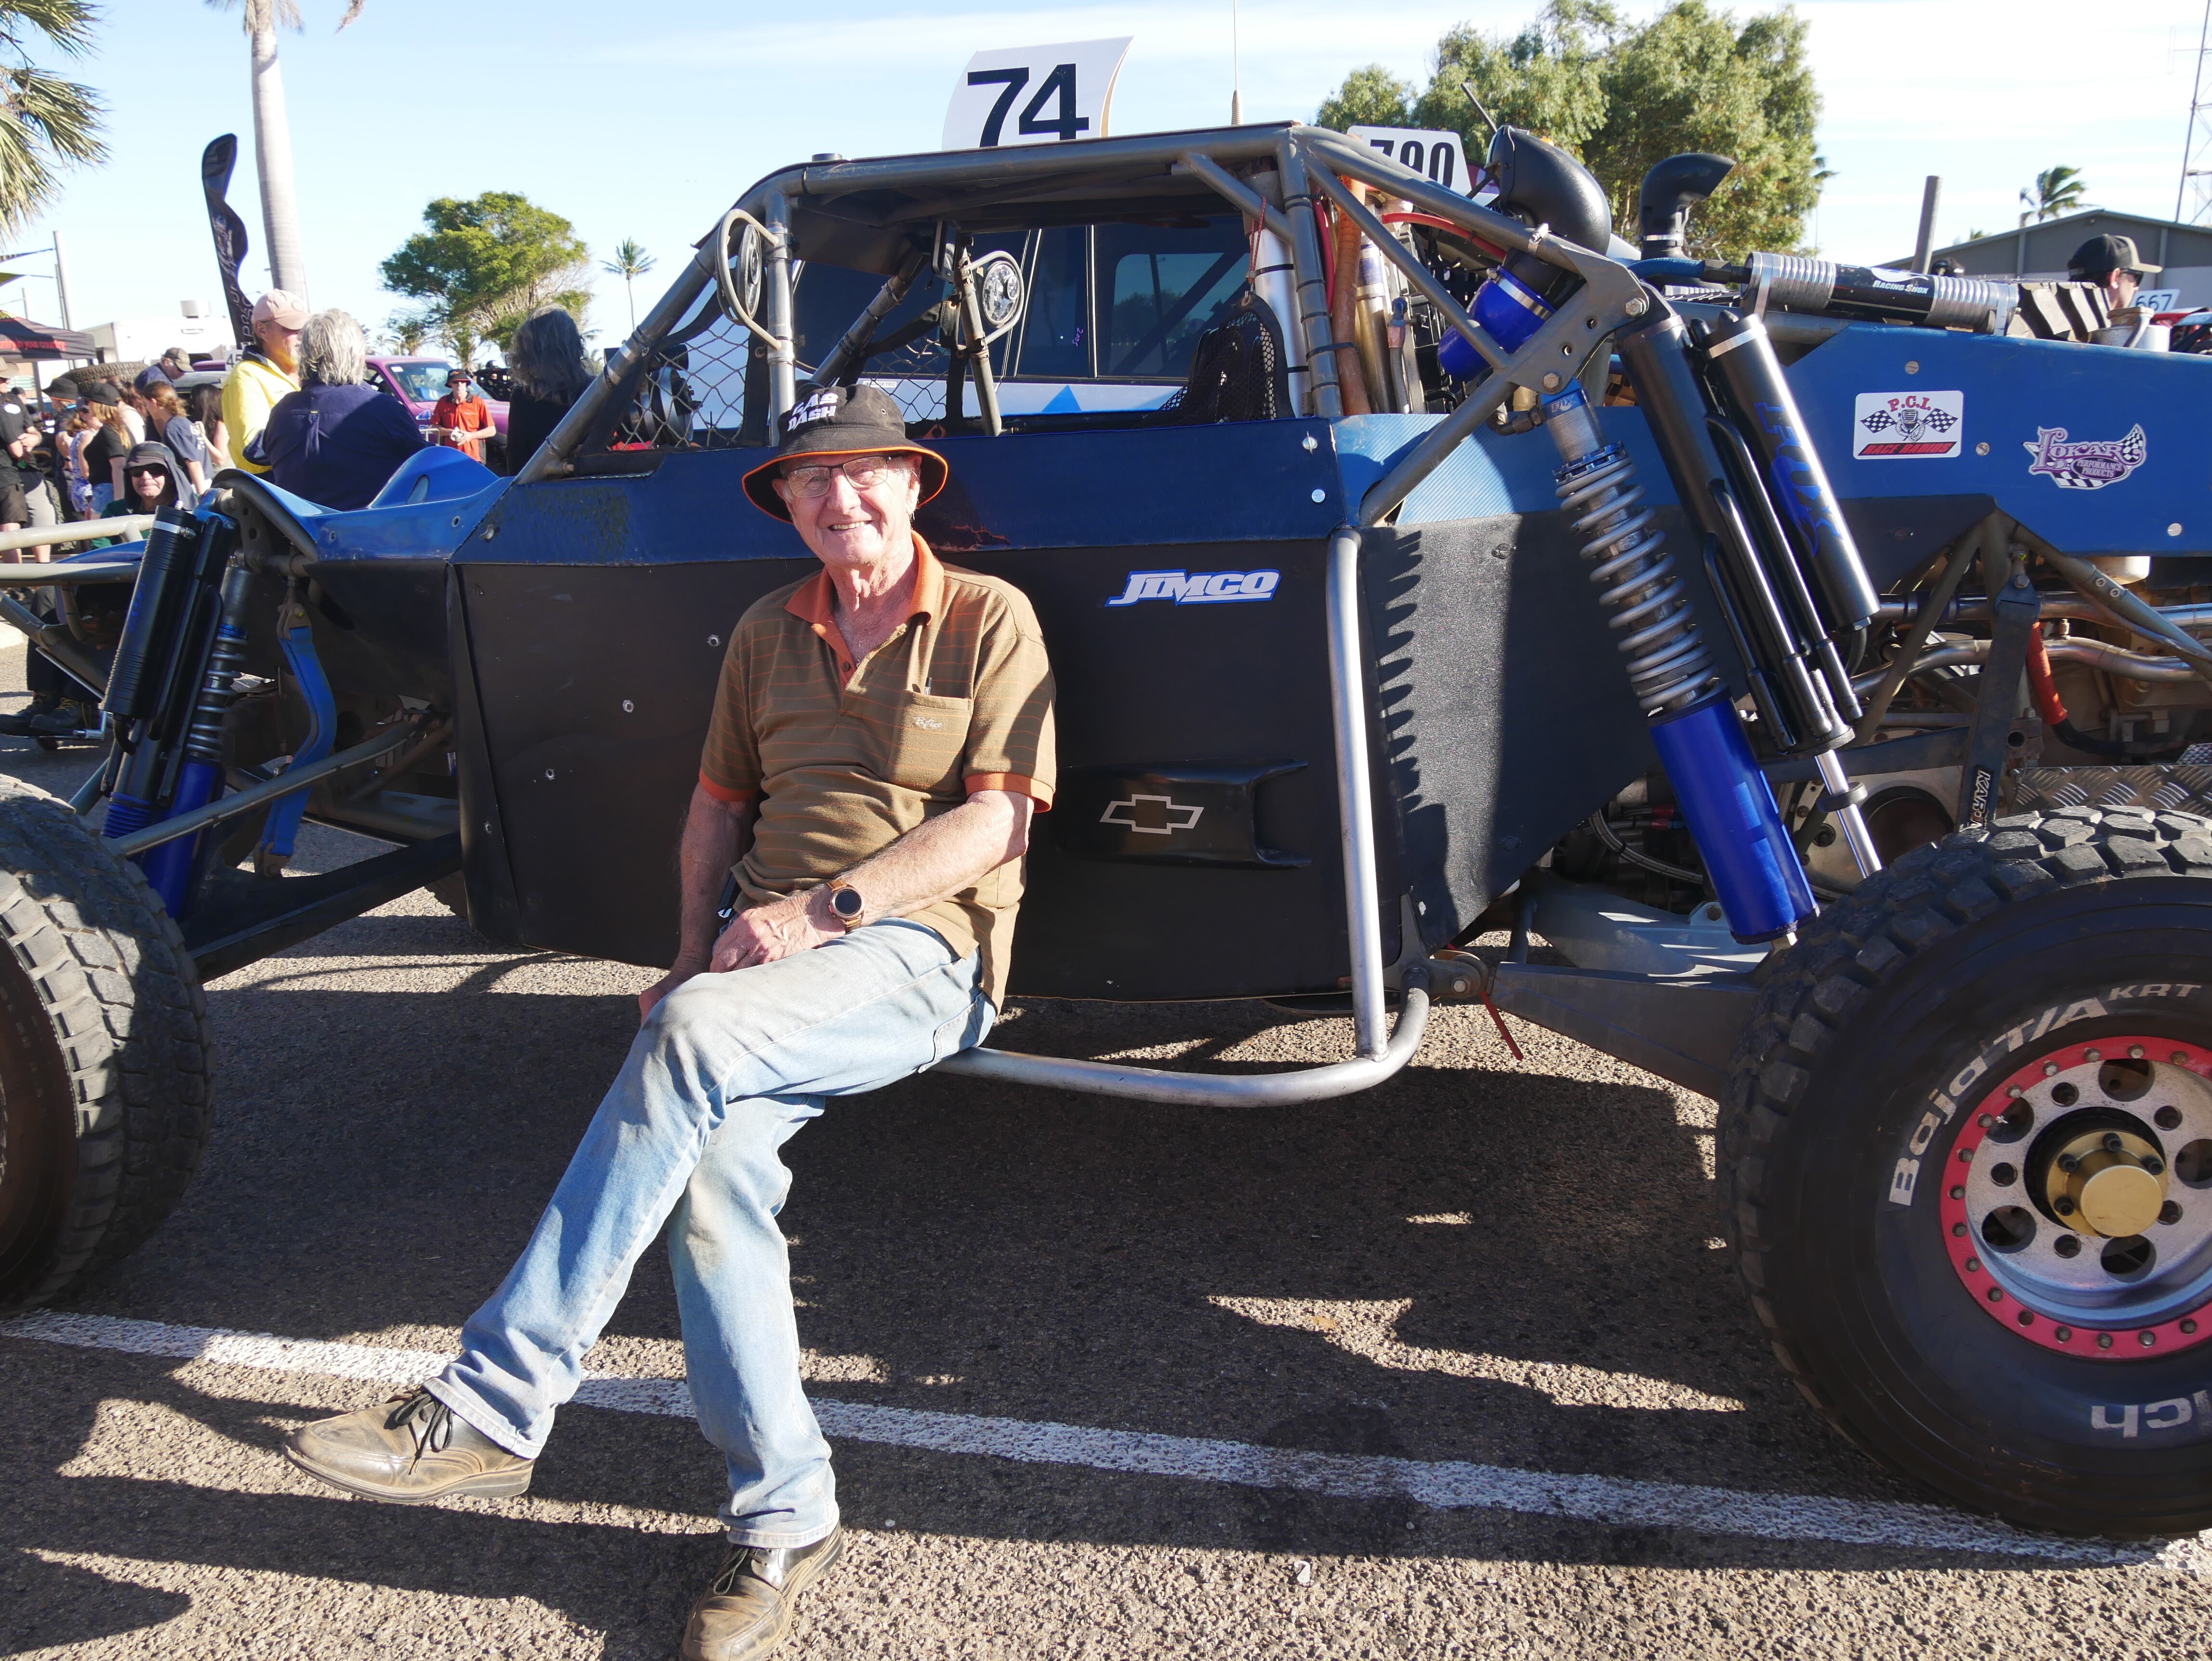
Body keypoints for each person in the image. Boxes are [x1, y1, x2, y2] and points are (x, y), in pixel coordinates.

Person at [283, 382, 1055, 1661]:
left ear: (915, 485)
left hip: (922, 954)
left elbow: (1001, 823)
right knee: (708, 1181)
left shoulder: (989, 619)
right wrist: (692, 950)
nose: (839, 500)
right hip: (762, 977)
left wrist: (823, 913)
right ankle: (785, 1517)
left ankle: (493, 1403)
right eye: (811, 481)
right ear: (787, 503)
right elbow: (714, 807)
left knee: (688, 1040)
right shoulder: (766, 628)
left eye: (864, 475)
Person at [247, 309, 426, 511]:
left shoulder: (282, 412)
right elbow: (429, 466)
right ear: (357, 357)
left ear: (305, 356)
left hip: (299, 535)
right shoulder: (381, 408)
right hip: (373, 534)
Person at [222, 289, 306, 472]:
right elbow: (254, 447)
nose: (301, 336)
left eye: (305, 328)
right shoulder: (246, 376)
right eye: (291, 328)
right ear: (261, 330)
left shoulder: (307, 372)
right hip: (274, 488)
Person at [503, 304, 593, 472]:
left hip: (546, 494)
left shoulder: (525, 399)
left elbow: (516, 467)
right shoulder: (596, 391)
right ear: (575, 345)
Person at [146, 382, 211, 496]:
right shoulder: (183, 422)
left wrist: (202, 496)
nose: (147, 409)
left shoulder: (174, 427)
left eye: (146, 404)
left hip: (195, 486)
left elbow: (194, 463)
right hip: (204, 481)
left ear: (154, 402)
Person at [2068, 234, 2160, 313]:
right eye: (2137, 277)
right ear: (2115, 277)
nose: (2136, 288)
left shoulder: (2060, 320)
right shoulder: (2108, 332)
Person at [80, 383, 132, 512]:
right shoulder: (120, 428)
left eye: (89, 402)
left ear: (96, 404)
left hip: (108, 492)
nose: (87, 405)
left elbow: (119, 465)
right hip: (106, 491)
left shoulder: (109, 430)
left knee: (102, 532)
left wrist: (119, 503)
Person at [429, 366, 495, 464]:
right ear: (450, 384)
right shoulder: (443, 403)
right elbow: (434, 428)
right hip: (450, 458)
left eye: (463, 382)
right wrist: (450, 432)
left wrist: (471, 436)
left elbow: (492, 431)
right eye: (455, 382)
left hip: (474, 458)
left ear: (466, 384)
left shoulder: (478, 403)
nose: (459, 385)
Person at [188, 383, 228, 479]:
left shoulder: (220, 425)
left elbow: (220, 460)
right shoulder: (200, 423)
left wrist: (202, 437)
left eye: (193, 400)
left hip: (222, 478)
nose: (190, 404)